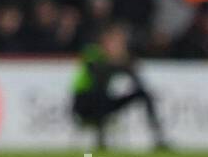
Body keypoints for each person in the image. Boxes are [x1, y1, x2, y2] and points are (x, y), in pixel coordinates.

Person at [70, 22, 168, 150]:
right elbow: (97, 74)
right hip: (84, 103)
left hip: (105, 104)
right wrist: (120, 63)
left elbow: (136, 82)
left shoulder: (121, 59)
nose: (119, 45)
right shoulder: (92, 53)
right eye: (115, 41)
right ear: (105, 40)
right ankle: (101, 141)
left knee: (142, 94)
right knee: (99, 93)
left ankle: (159, 139)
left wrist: (130, 68)